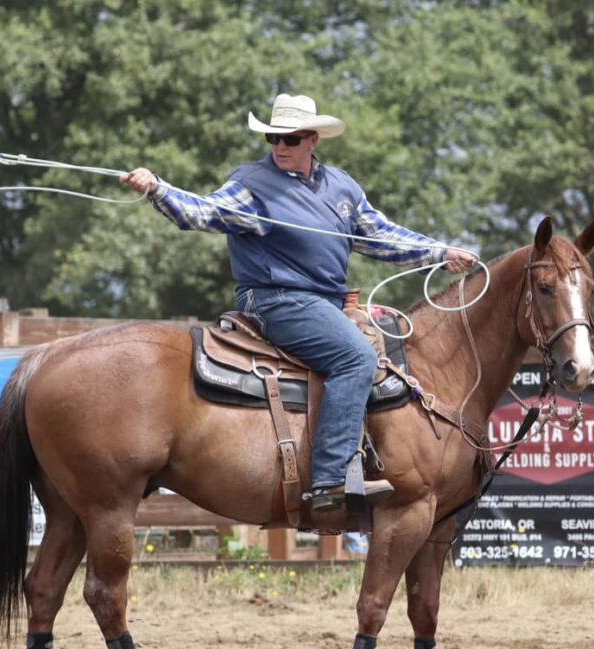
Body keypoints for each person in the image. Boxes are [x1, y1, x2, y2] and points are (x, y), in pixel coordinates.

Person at [121, 93, 476, 512]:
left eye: (289, 139)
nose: (279, 147)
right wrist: (158, 189)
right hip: (275, 299)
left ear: (312, 140)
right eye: (273, 138)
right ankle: (330, 479)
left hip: (325, 304)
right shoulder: (253, 185)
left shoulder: (342, 188)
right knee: (357, 359)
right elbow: (202, 213)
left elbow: (382, 236)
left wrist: (439, 253)